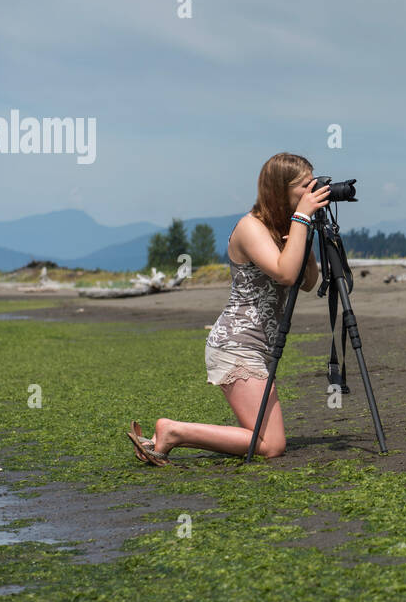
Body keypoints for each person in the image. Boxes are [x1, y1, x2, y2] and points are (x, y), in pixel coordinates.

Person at [127, 152, 328, 464]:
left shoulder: (281, 228)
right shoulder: (250, 228)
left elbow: (306, 282)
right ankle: (173, 432)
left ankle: (171, 433)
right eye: (304, 185)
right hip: (237, 345)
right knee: (271, 445)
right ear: (279, 189)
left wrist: (304, 238)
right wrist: (302, 218)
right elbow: (286, 273)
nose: (312, 190)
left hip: (257, 346)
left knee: (266, 440)